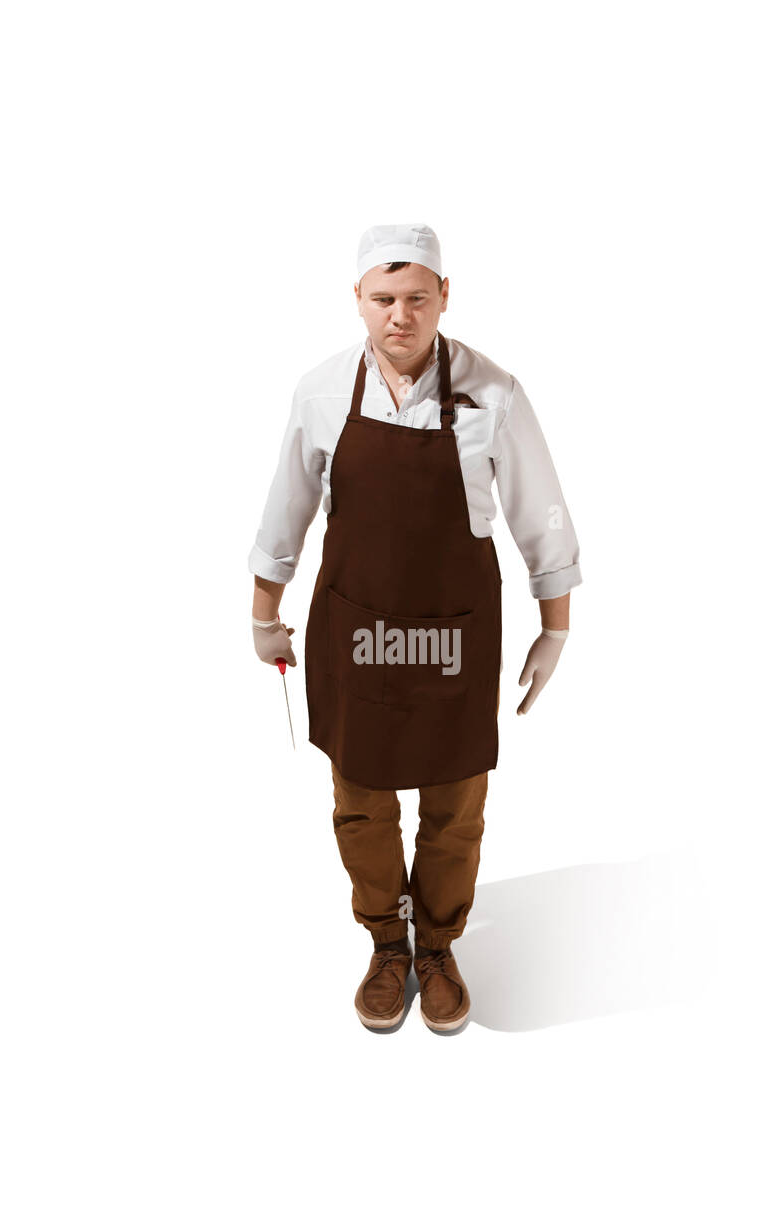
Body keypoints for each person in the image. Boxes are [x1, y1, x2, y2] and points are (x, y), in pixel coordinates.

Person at [248, 223, 581, 1034]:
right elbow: (286, 508)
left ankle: (437, 944)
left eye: (417, 299)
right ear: (358, 300)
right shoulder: (322, 393)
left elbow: (541, 509)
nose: (401, 316)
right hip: (356, 632)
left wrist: (555, 628)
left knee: (454, 802)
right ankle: (386, 941)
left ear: (443, 299)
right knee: (361, 802)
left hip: (455, 637)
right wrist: (265, 613)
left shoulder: (494, 394)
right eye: (384, 299)